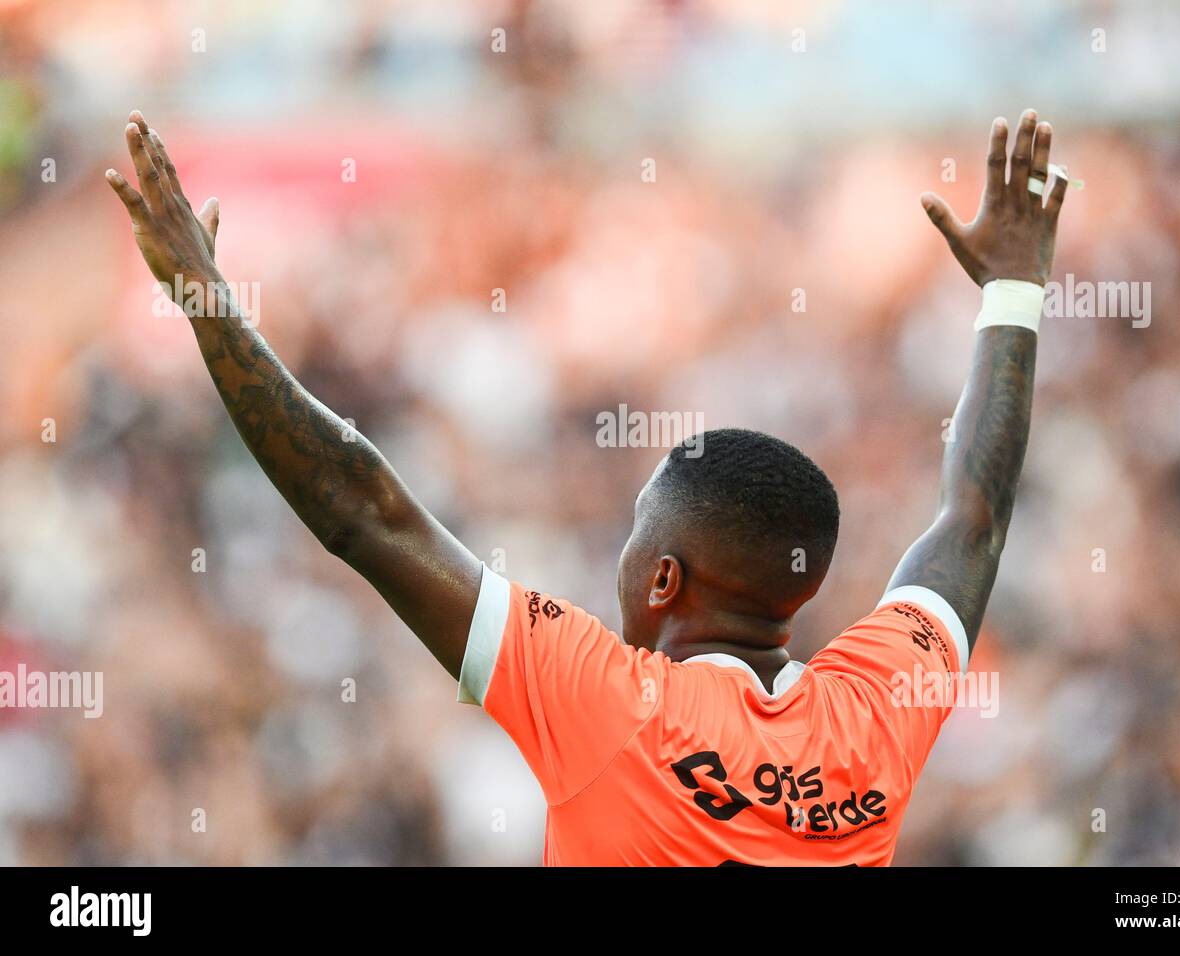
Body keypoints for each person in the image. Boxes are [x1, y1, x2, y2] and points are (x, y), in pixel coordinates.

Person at [106, 108, 1067, 865]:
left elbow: (362, 508)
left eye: (636, 535)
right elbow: (972, 521)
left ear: (663, 582)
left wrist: (206, 302)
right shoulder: (874, 715)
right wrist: (1014, 292)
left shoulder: (608, 706)